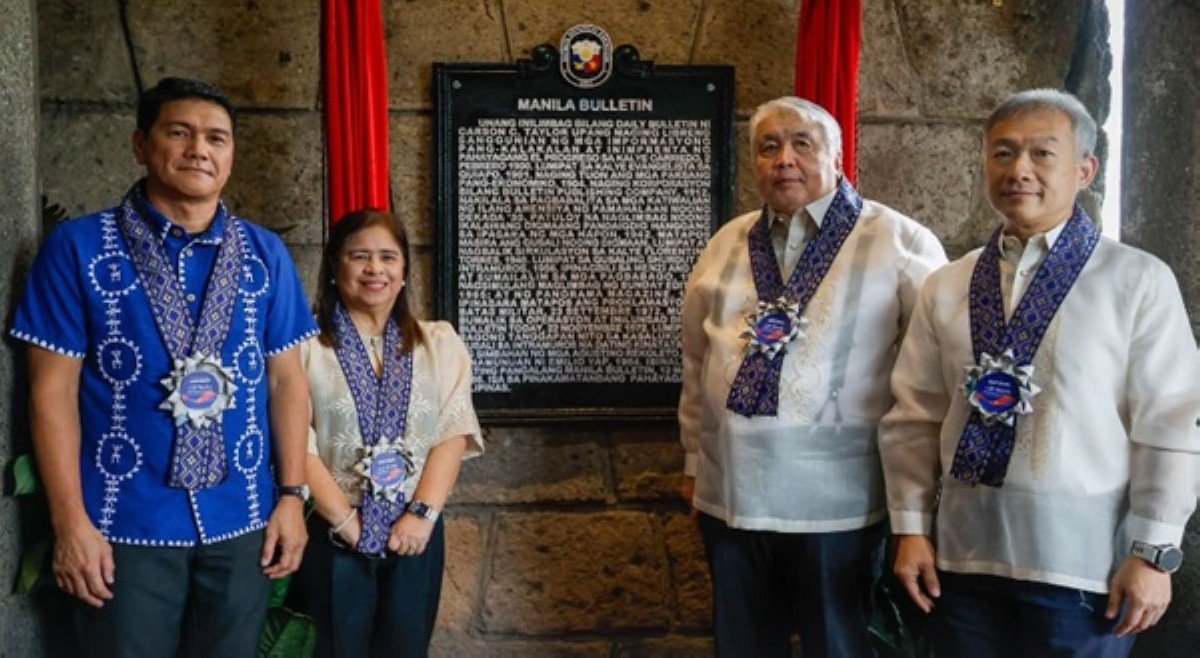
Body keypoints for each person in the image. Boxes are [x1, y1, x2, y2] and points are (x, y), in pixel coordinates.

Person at [880, 88, 1200, 657]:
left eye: (1041, 153)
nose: (1018, 170)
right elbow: (914, 416)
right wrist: (909, 527)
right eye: (1002, 153)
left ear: (1084, 168)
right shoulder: (948, 284)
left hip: (1084, 571)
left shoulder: (1136, 281)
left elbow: (1172, 423)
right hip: (962, 562)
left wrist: (1154, 550)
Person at [10, 77, 317, 656]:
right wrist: (70, 524)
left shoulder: (263, 254)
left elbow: (286, 381)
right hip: (122, 521)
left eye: (217, 138)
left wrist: (290, 499)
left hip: (242, 519)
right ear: (141, 144)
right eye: (180, 132)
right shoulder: (79, 249)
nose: (200, 148)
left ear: (230, 156)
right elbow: (51, 392)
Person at [678, 96, 947, 657]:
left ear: (837, 155)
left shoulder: (900, 241)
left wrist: (914, 507)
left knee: (838, 647)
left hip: (840, 503)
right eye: (768, 147)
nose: (784, 159)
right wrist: (694, 464)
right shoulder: (726, 243)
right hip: (733, 494)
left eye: (803, 143)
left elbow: (933, 377)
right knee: (744, 647)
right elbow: (697, 364)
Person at [289, 208, 483, 657]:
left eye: (388, 257)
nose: (375, 269)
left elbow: (452, 432)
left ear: (403, 271)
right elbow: (299, 442)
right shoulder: (304, 347)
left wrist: (422, 514)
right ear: (336, 267)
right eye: (360, 256)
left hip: (414, 532)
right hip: (330, 531)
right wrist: (344, 521)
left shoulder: (440, 343)